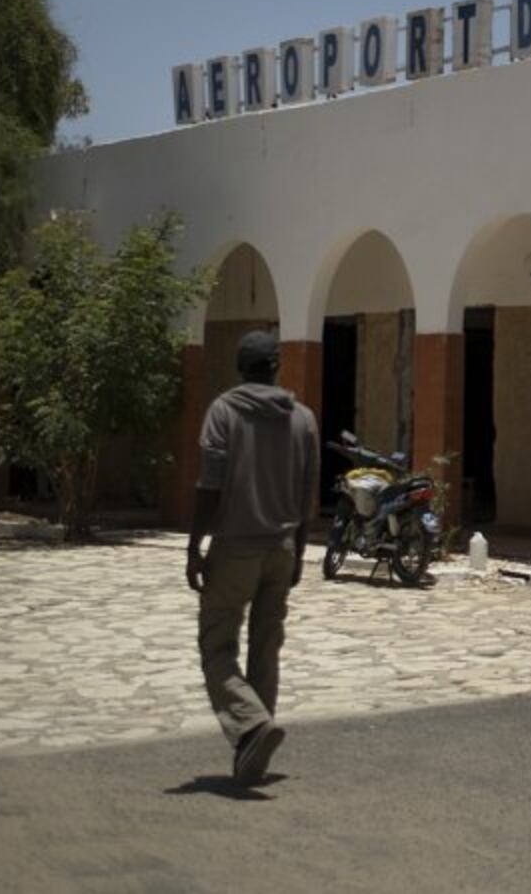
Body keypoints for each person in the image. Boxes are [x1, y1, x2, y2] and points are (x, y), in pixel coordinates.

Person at [186, 329, 319, 787]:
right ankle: (252, 745)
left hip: (236, 546)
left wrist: (195, 544)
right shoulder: (303, 419)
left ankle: (250, 725)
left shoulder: (224, 411)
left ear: (240, 367)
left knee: (216, 645)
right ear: (275, 366)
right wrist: (299, 551)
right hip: (281, 547)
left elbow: (211, 483)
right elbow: (307, 495)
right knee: (267, 646)